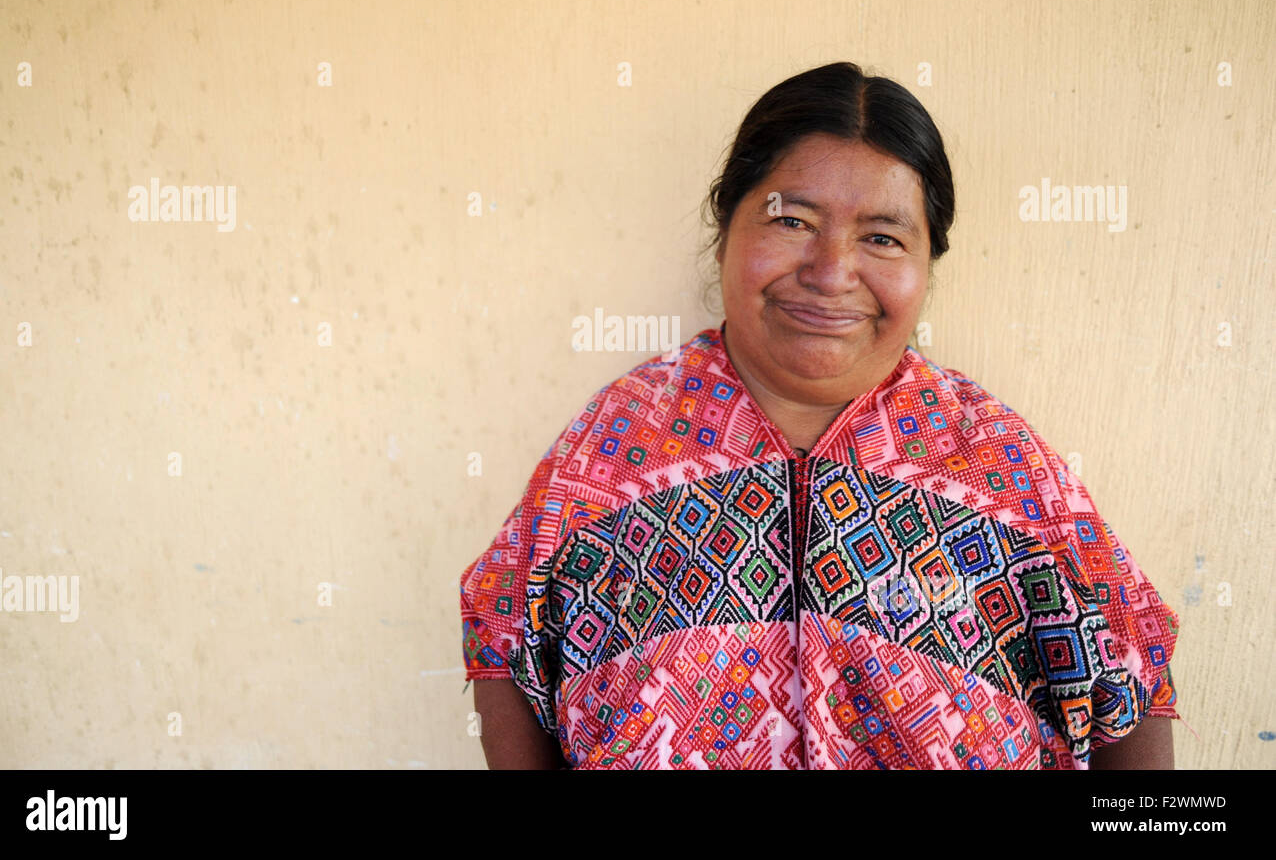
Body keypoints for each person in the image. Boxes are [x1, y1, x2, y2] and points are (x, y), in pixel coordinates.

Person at [459, 61, 1182, 769]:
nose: (831, 271)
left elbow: (1134, 664)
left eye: (883, 237)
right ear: (726, 225)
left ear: (929, 260)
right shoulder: (615, 442)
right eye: (793, 219)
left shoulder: (998, 460)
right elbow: (502, 631)